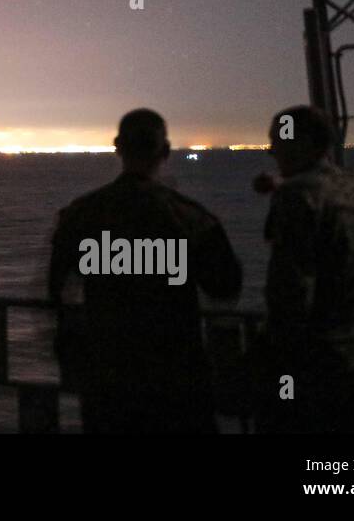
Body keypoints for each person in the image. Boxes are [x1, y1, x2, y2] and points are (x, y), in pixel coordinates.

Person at [48, 109, 242, 433]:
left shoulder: (81, 215)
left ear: (117, 147)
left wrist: (73, 352)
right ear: (164, 152)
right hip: (178, 382)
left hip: (108, 385)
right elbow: (224, 286)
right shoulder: (190, 218)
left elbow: (58, 290)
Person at [253, 105, 354, 433]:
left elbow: (290, 293)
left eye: (278, 142)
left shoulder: (298, 198)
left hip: (314, 366)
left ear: (305, 142)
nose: (272, 151)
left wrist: (272, 363)